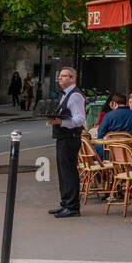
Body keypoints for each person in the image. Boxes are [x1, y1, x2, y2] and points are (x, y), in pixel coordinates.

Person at [46, 66, 86, 218]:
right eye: (60, 75)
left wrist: (60, 122)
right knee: (63, 172)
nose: (60, 78)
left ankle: (72, 206)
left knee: (69, 171)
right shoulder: (65, 95)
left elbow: (79, 119)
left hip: (70, 137)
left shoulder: (75, 96)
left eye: (64, 76)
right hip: (63, 138)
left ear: (72, 79)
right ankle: (65, 203)